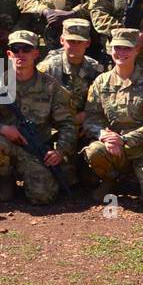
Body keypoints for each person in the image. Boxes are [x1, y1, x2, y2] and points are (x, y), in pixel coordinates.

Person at [0, 30, 76, 204]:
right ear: (9, 54)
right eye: (16, 49)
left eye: (26, 49)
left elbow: (67, 124)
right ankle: (5, 180)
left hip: (35, 150)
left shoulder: (51, 87)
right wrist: (3, 129)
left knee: (42, 196)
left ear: (36, 53)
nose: (20, 54)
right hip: (5, 146)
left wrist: (59, 151)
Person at [82, 28, 143, 208]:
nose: (121, 53)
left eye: (127, 48)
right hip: (114, 149)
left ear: (136, 50)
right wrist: (103, 135)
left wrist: (124, 140)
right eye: (117, 48)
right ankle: (112, 179)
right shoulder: (101, 82)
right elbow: (91, 118)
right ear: (110, 49)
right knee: (94, 151)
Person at [36, 17, 102, 186]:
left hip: (84, 130)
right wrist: (66, 122)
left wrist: (86, 117)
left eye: (79, 42)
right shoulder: (48, 68)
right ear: (62, 40)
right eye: (70, 41)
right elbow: (36, 104)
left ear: (87, 43)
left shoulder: (95, 69)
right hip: (55, 130)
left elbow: (103, 104)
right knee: (62, 180)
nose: (74, 46)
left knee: (92, 178)